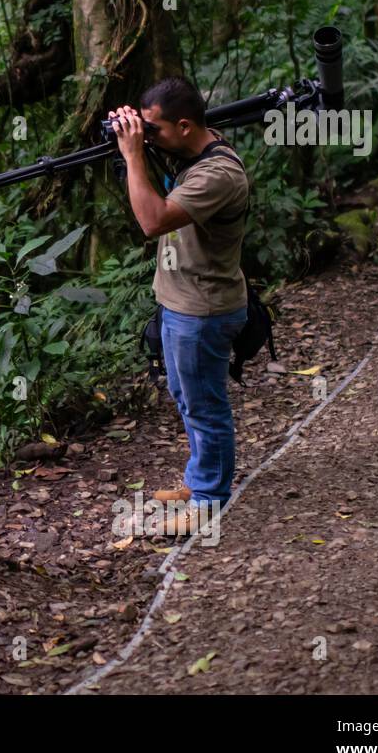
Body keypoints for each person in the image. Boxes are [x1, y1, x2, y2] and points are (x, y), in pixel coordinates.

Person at [108, 77, 249, 536]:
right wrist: (135, 136)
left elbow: (152, 221)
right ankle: (200, 480)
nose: (148, 139)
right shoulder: (191, 151)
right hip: (179, 302)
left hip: (203, 310)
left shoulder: (219, 174)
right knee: (187, 398)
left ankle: (209, 502)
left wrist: (133, 154)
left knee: (206, 405)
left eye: (155, 130)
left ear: (185, 126)